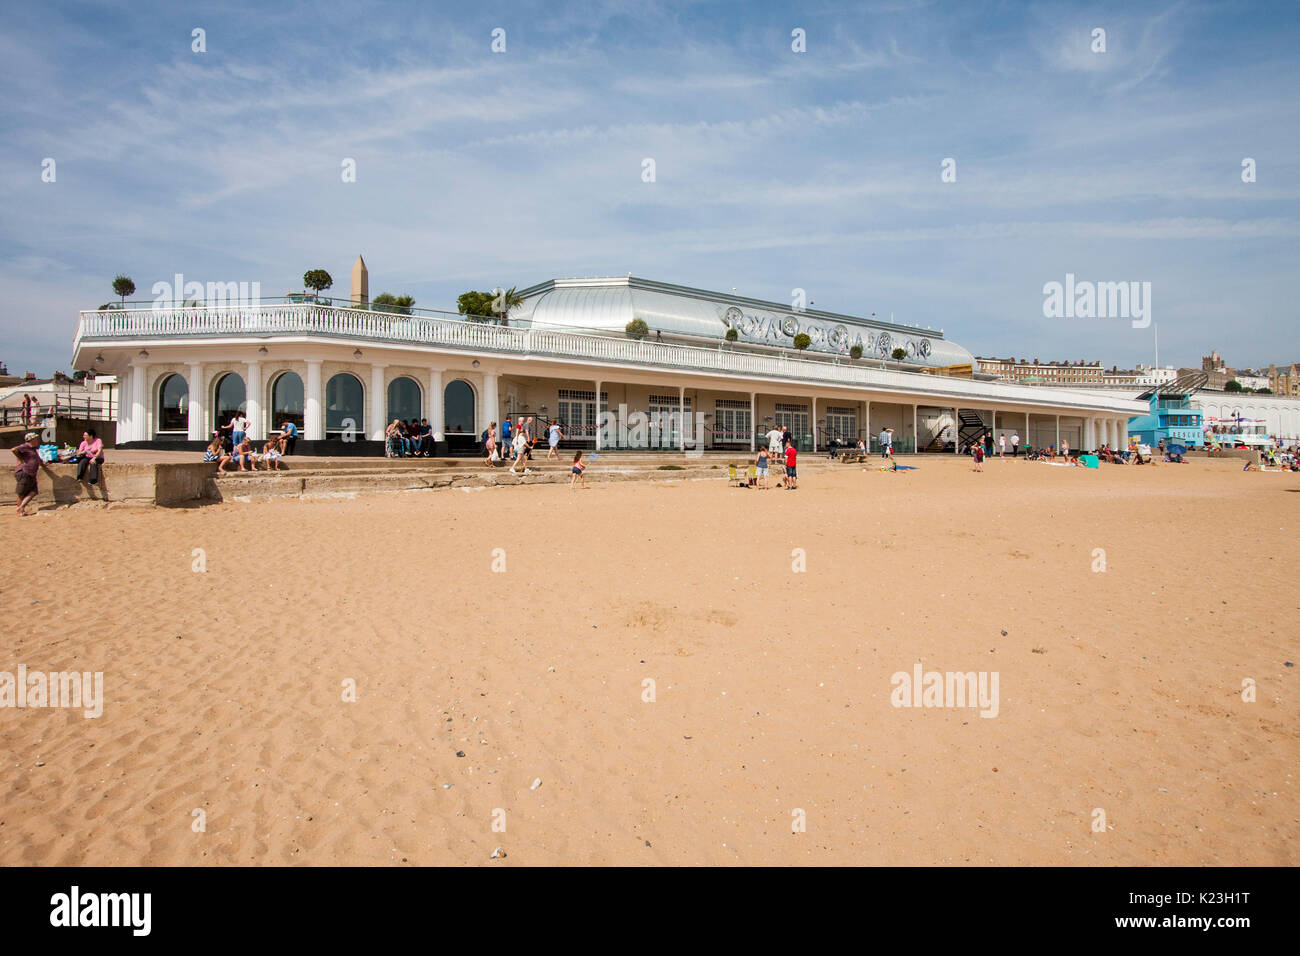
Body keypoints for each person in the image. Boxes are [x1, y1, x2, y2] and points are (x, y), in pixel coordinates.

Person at [12, 431, 41, 516]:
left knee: (34, 491)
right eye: (36, 439)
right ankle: (20, 510)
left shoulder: (33, 449)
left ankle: (21, 507)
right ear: (32, 439)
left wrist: (43, 464)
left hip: (31, 473)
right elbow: (14, 449)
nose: (37, 440)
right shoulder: (25, 446)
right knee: (21, 492)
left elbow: (38, 459)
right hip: (24, 471)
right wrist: (20, 458)